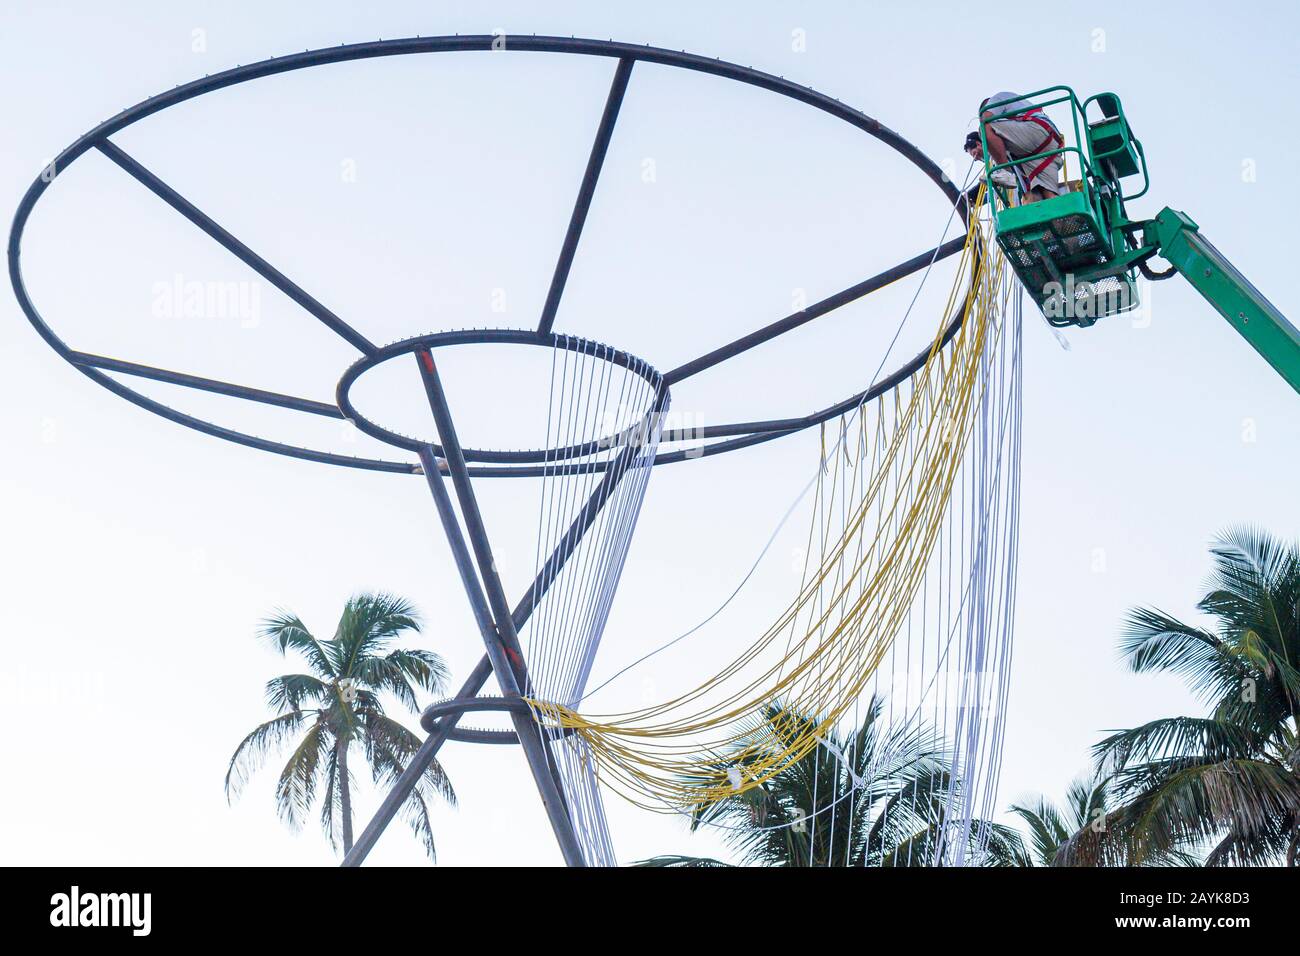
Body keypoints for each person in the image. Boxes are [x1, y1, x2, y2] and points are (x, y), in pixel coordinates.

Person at [976, 92, 1064, 203]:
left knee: (984, 128)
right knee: (1046, 193)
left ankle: (1005, 172)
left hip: (1035, 131)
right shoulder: (1019, 105)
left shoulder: (996, 99)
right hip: (1050, 145)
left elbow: (986, 118)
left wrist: (982, 121)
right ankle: (1063, 219)